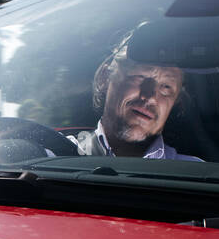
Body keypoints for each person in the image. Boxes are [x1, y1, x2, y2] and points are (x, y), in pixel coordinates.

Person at [70, 23, 204, 161]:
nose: (150, 97)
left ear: (176, 103)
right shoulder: (54, 154)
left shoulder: (197, 174)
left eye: (166, 87)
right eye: (140, 76)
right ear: (105, 77)